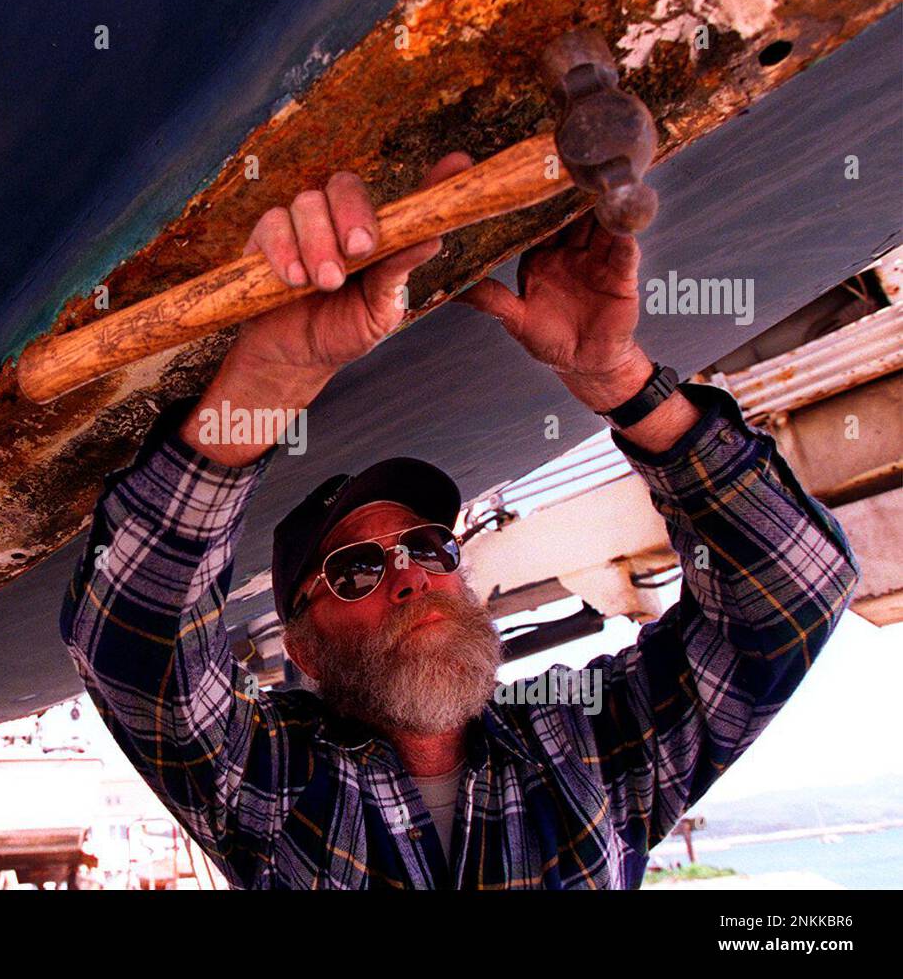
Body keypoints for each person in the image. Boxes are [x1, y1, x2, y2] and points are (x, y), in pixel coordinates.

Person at [59, 153, 860, 889]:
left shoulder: (595, 749)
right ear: (301, 644)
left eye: (429, 544)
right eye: (356, 570)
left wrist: (623, 382)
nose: (409, 573)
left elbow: (796, 592)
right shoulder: (274, 786)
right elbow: (136, 645)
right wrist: (267, 385)